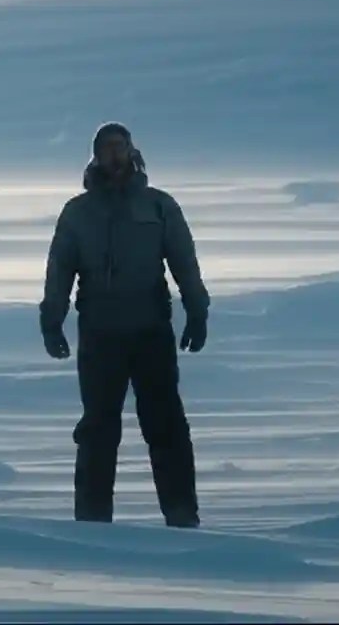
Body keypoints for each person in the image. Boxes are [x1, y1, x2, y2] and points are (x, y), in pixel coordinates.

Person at [39, 121, 210, 528]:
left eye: (121, 147)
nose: (115, 156)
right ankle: (93, 522)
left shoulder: (159, 206)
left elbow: (184, 262)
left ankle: (183, 518)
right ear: (95, 157)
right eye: (107, 149)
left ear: (134, 152)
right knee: (98, 431)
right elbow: (60, 269)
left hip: (151, 332)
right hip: (100, 336)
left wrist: (197, 311)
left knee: (166, 426)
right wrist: (52, 320)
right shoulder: (78, 213)